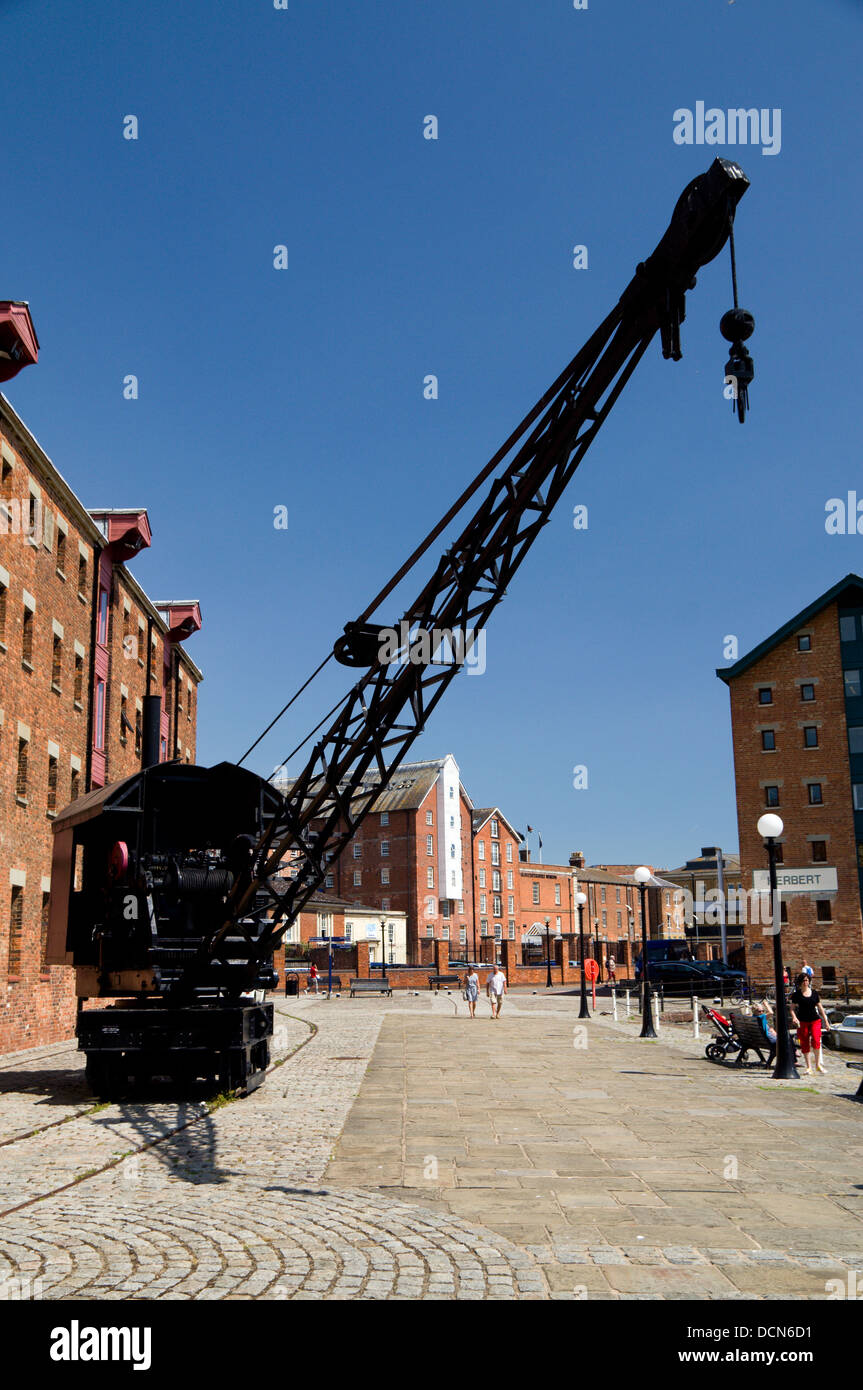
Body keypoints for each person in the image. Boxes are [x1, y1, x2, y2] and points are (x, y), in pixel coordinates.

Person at [789, 972, 831, 1074]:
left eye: (807, 980)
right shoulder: (797, 995)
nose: (805, 982)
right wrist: (794, 1018)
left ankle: (818, 1065)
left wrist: (826, 1021)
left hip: (815, 1020)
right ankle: (809, 1067)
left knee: (816, 1040)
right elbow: (791, 1009)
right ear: (800, 982)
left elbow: (820, 1008)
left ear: (809, 981)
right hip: (802, 1021)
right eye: (803, 980)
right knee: (804, 1042)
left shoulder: (814, 993)